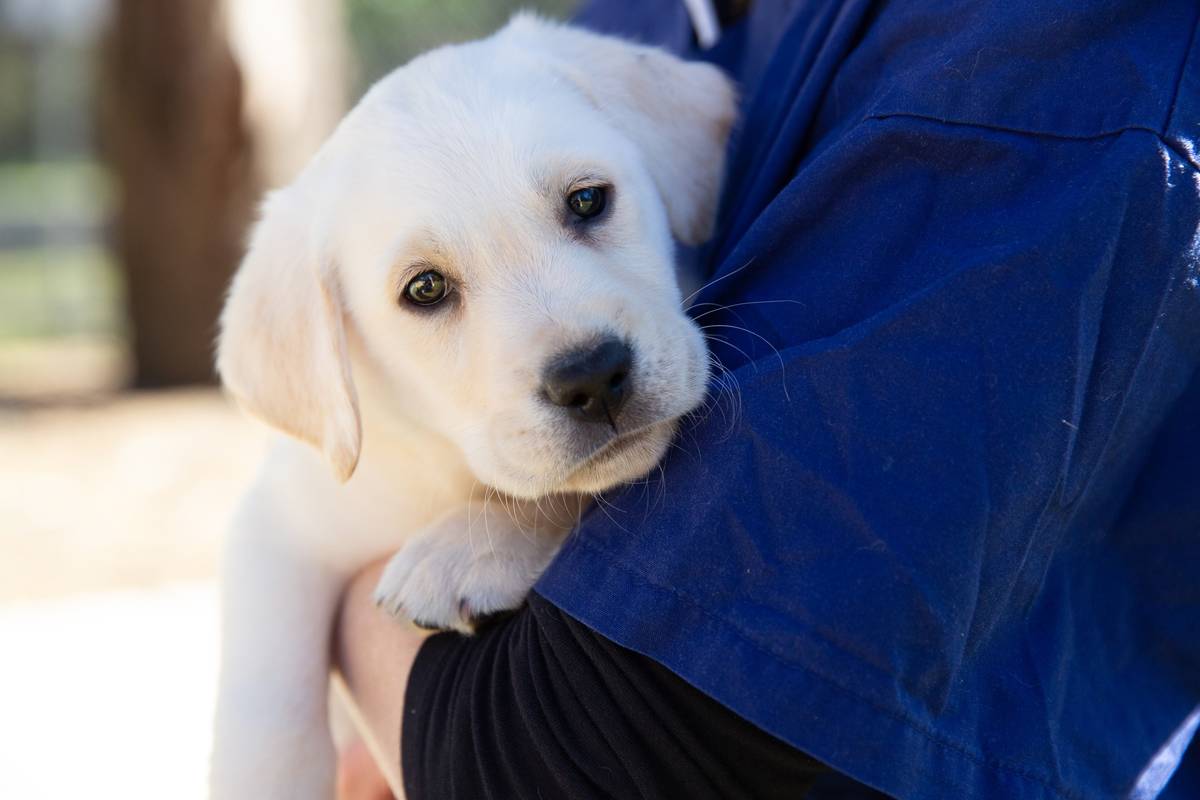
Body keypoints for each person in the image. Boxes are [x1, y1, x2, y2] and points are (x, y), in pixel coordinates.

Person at [336, 0, 1200, 797]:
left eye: (586, 204)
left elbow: (574, 761)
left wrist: (349, 618)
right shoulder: (620, 28)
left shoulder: (1034, 55)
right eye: (429, 290)